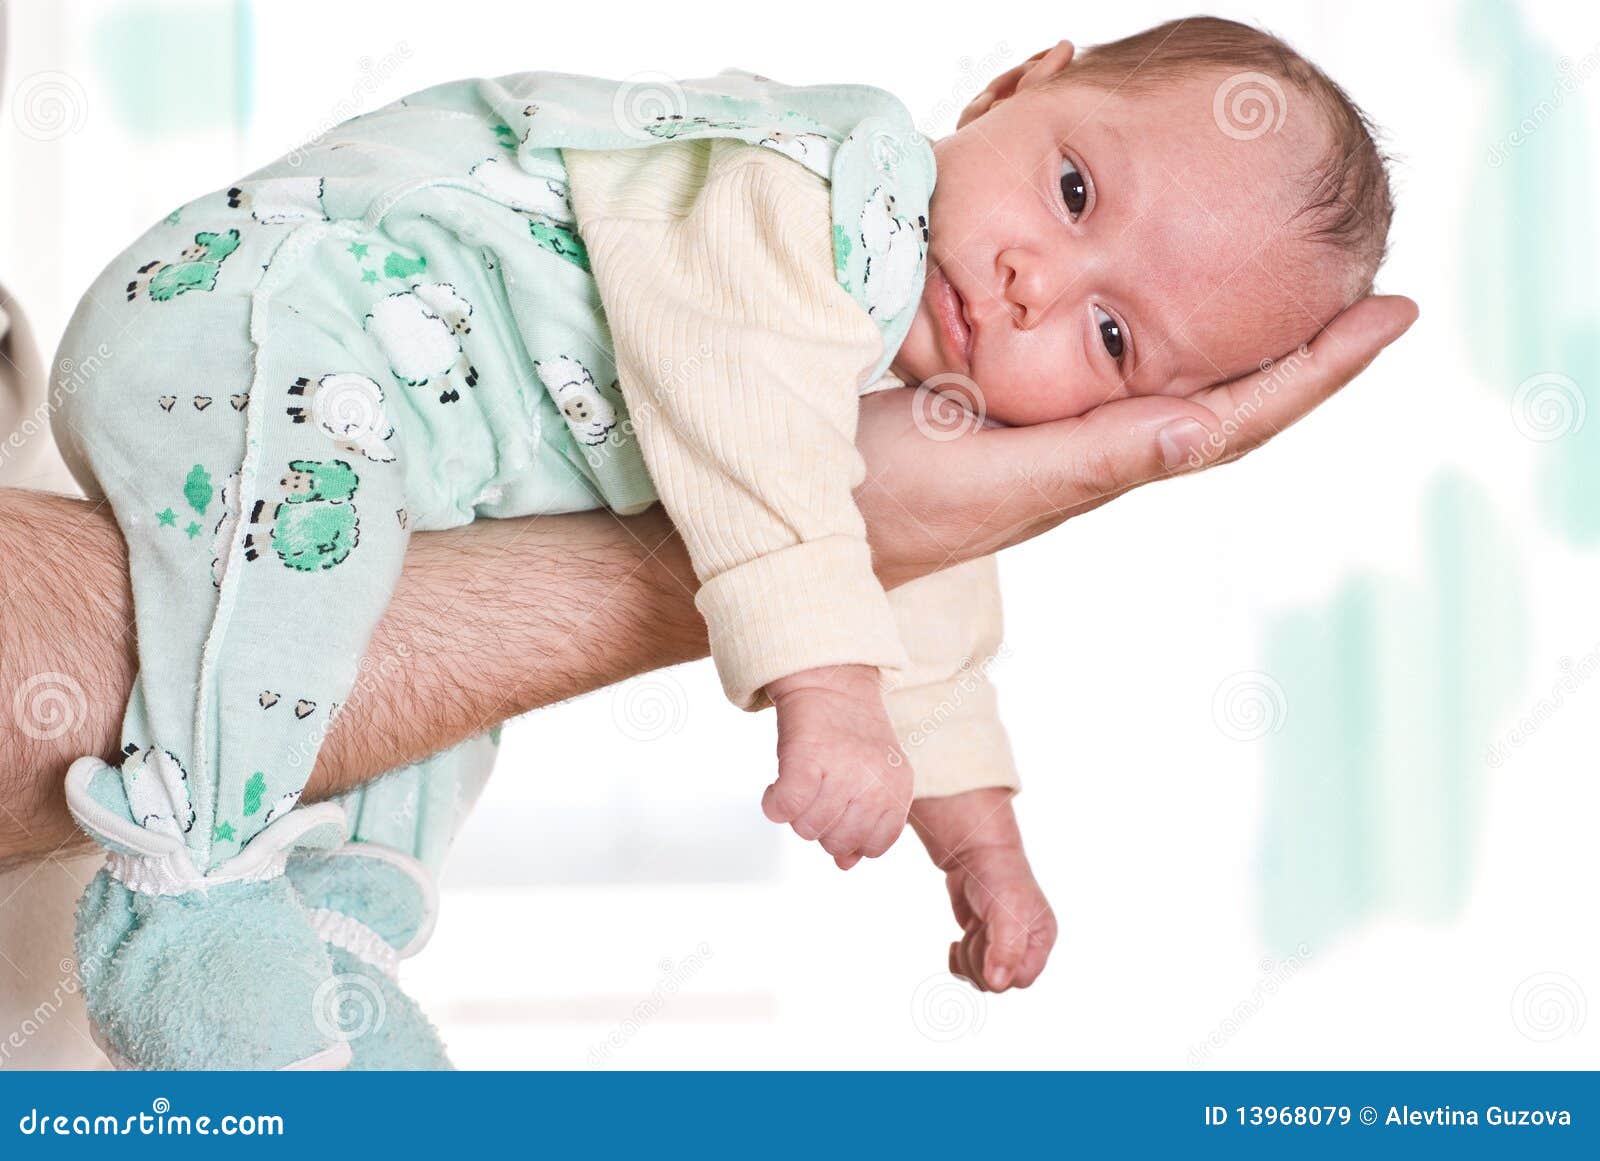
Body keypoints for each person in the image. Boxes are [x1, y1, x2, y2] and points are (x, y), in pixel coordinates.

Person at [17, 17, 1415, 1069]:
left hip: (403, 468)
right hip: (269, 331)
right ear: (1013, 87)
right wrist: (829, 689)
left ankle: (327, 941)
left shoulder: (900, 378)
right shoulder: (819, 192)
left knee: (412, 680)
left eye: (1111, 337)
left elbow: (910, 564)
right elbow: (755, 424)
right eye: (1071, 193)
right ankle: (185, 888)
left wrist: (979, 837)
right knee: (296, 569)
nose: (1033, 284)